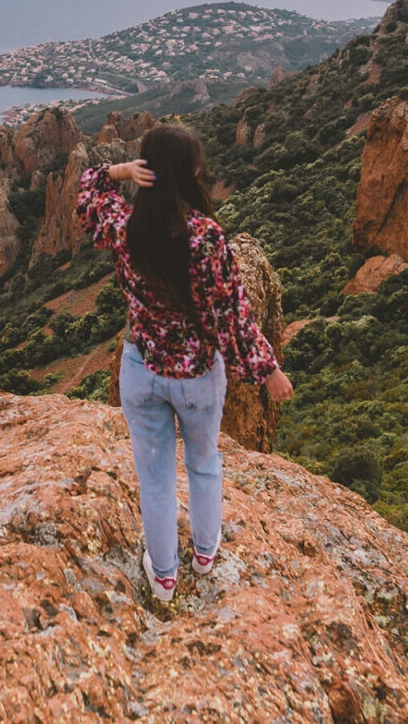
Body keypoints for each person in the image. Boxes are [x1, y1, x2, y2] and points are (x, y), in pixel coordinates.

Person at [76, 124, 294, 604]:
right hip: (196, 375)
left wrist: (117, 171)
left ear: (149, 172)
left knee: (154, 478)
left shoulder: (125, 225)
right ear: (188, 172)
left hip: (141, 367)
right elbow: (233, 313)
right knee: (203, 462)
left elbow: (88, 191)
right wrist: (269, 371)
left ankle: (164, 577)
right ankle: (204, 554)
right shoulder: (206, 237)